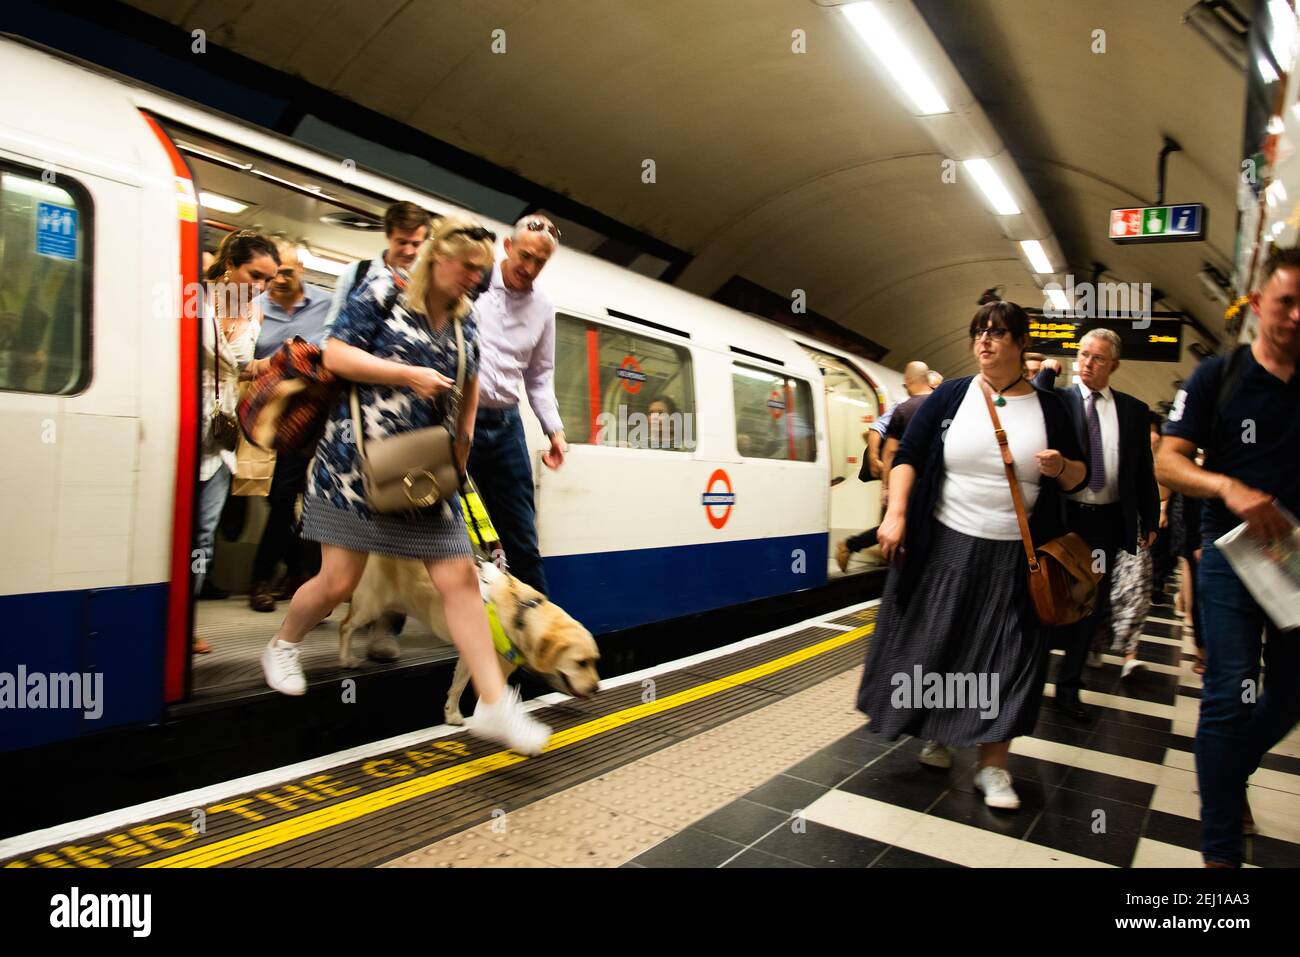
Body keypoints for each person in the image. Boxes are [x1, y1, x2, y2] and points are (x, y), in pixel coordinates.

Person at [261, 217, 551, 755]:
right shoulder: (384, 293)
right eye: (467, 267)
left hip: (422, 473)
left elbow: (469, 384)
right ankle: (283, 645)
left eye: (480, 271)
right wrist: (407, 376)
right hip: (356, 464)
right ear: (438, 257)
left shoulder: (466, 323)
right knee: (338, 584)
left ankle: (492, 703)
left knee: (460, 577)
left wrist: (461, 446)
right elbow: (336, 355)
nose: (474, 278)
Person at [857, 301, 1088, 809]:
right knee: (943, 642)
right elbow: (909, 456)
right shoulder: (952, 396)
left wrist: (1060, 467)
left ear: (1020, 342)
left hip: (1018, 555)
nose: (985, 341)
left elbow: (1080, 476)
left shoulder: (1054, 407)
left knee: (1009, 656)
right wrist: (895, 513)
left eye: (998, 333)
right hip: (946, 544)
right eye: (979, 332)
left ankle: (993, 767)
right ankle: (940, 730)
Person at [1156, 245, 1300, 868]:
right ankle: (1220, 857)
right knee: (1228, 692)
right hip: (1232, 558)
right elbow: (1168, 459)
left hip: (1295, 562)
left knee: (1292, 696)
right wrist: (1227, 486)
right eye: (1287, 301)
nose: (1296, 315)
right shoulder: (1220, 377)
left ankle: (1227, 771)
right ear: (1260, 302)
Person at [1032, 331, 1160, 719]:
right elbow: (1033, 401)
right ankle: (1031, 683)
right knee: (1046, 597)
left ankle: (1069, 689)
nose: (1087, 363)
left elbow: (1142, 471)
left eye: (1098, 358)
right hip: (1060, 520)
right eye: (1083, 355)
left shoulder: (1134, 412)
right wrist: (1048, 371)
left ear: (1114, 365)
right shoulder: (1059, 399)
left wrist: (1150, 517)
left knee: (1090, 601)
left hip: (1103, 524)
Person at [467, 215, 567, 594]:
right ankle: (389, 622)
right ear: (507, 248)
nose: (529, 268)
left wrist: (554, 430)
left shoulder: (543, 307)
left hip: (506, 425)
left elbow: (539, 376)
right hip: (461, 418)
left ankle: (541, 632)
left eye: (540, 262)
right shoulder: (471, 283)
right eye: (524, 256)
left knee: (521, 536)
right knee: (433, 526)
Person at [194, 230, 280, 651]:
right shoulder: (193, 301)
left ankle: (183, 625)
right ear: (230, 265)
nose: (261, 288)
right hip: (179, 426)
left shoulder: (254, 316)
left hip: (220, 437)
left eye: (269, 281)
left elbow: (242, 369)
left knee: (203, 534)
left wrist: (277, 364)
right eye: (255, 275)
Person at [247, 240, 333, 612]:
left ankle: (274, 578)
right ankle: (290, 571)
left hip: (314, 417)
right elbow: (236, 358)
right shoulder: (252, 304)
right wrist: (274, 362)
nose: (278, 279)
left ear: (301, 269)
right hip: (268, 414)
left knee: (307, 499)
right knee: (278, 498)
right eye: (273, 273)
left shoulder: (327, 303)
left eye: (287, 271)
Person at [838, 362, 934, 571]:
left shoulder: (928, 406)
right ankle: (852, 545)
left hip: (919, 481)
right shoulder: (904, 406)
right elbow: (878, 432)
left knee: (906, 525)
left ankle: (869, 550)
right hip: (908, 480)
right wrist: (880, 472)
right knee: (905, 523)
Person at [324, 201, 432, 336]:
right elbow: (331, 328)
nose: (408, 251)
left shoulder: (429, 281)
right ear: (388, 236)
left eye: (416, 244)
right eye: (402, 242)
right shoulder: (356, 272)